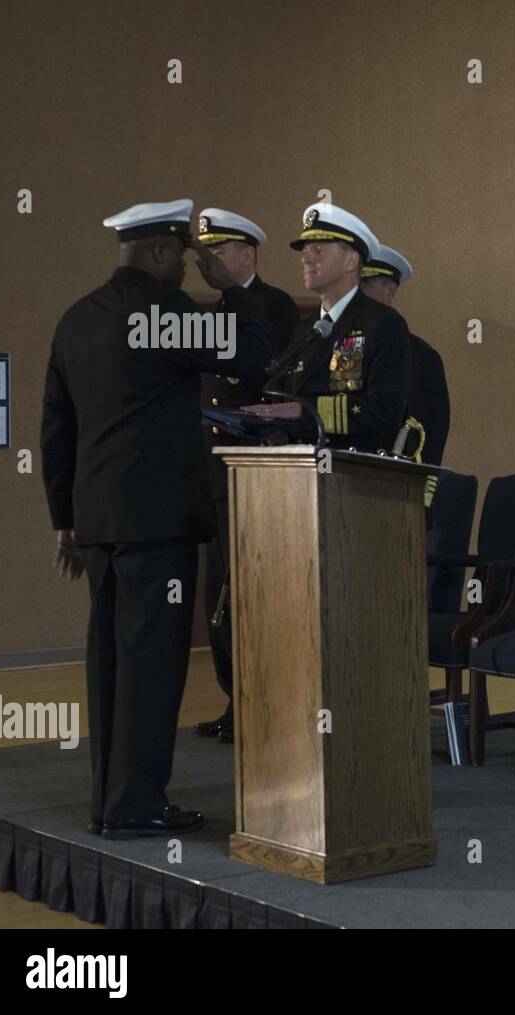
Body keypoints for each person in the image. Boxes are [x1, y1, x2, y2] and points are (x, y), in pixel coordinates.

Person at [39, 199, 273, 838]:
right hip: (156, 524)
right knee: (152, 665)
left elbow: (57, 428)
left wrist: (66, 519)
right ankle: (136, 805)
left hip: (98, 523)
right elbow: (253, 352)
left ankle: (109, 800)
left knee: (109, 662)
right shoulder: (162, 316)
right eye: (187, 256)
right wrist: (230, 288)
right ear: (164, 251)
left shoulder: (76, 319)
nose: (192, 269)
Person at [193, 208, 300, 744]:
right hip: (217, 468)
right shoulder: (216, 310)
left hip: (258, 463)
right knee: (220, 589)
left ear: (248, 255)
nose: (208, 261)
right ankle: (236, 697)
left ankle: (264, 700)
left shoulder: (274, 306)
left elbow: (277, 377)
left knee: (253, 587)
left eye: (219, 251)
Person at [268, 203, 412, 454]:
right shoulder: (304, 329)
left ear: (351, 260)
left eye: (318, 250)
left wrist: (306, 411)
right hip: (297, 469)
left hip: (352, 473)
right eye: (305, 250)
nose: (306, 258)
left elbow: (384, 410)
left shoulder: (383, 323)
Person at [360, 240, 449, 511]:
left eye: (362, 286)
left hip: (388, 492)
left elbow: (423, 433)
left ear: (389, 292)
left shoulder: (418, 355)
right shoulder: (333, 342)